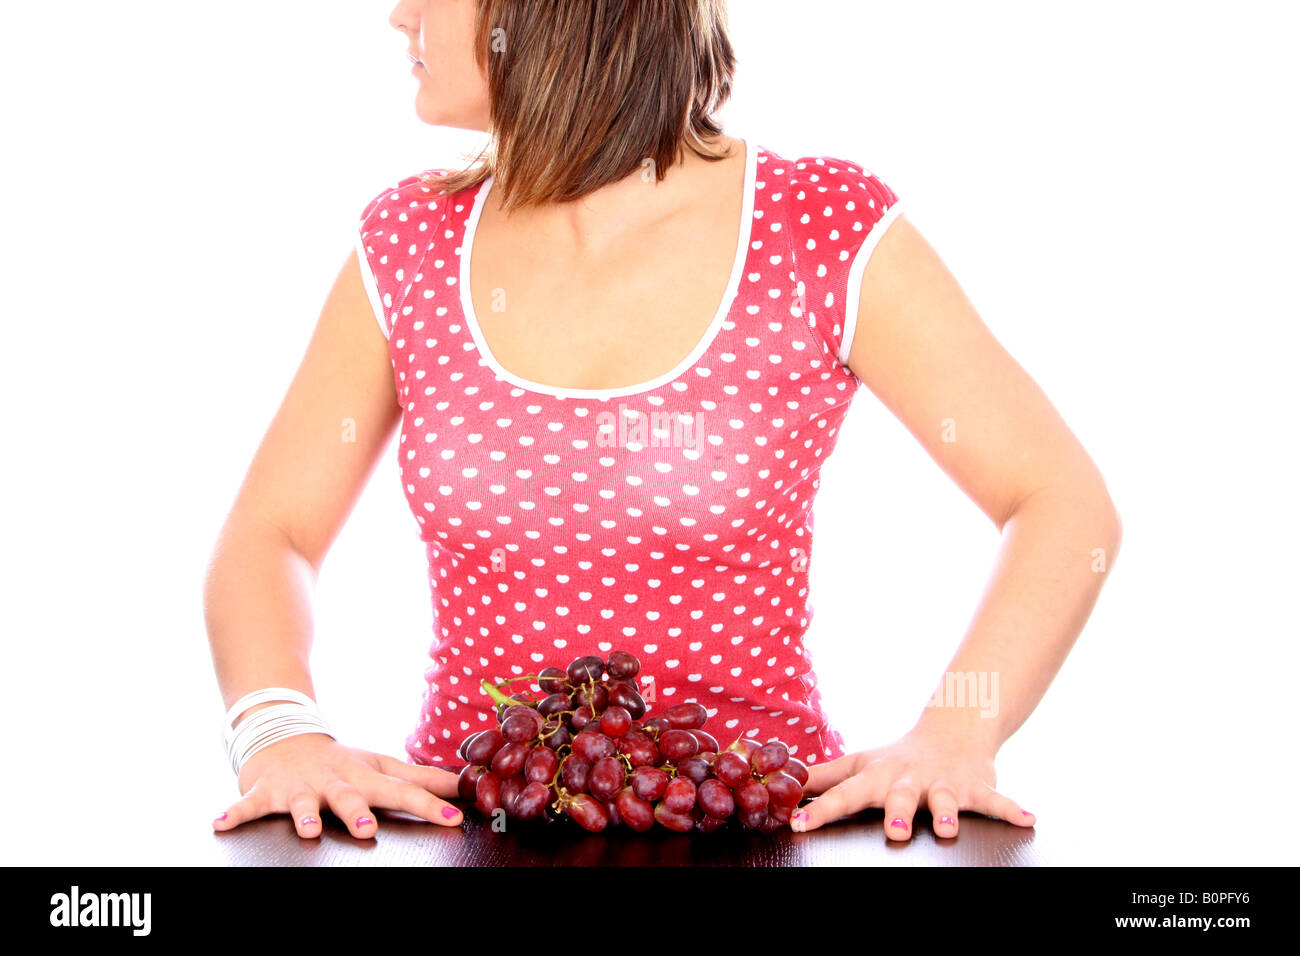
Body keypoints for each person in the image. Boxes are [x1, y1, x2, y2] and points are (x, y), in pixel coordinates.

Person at [206, 0, 1121, 843]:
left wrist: (959, 732)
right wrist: (281, 735)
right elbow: (272, 531)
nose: (398, 14)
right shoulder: (408, 239)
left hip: (761, 836)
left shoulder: (818, 227)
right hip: (472, 833)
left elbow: (1059, 501)